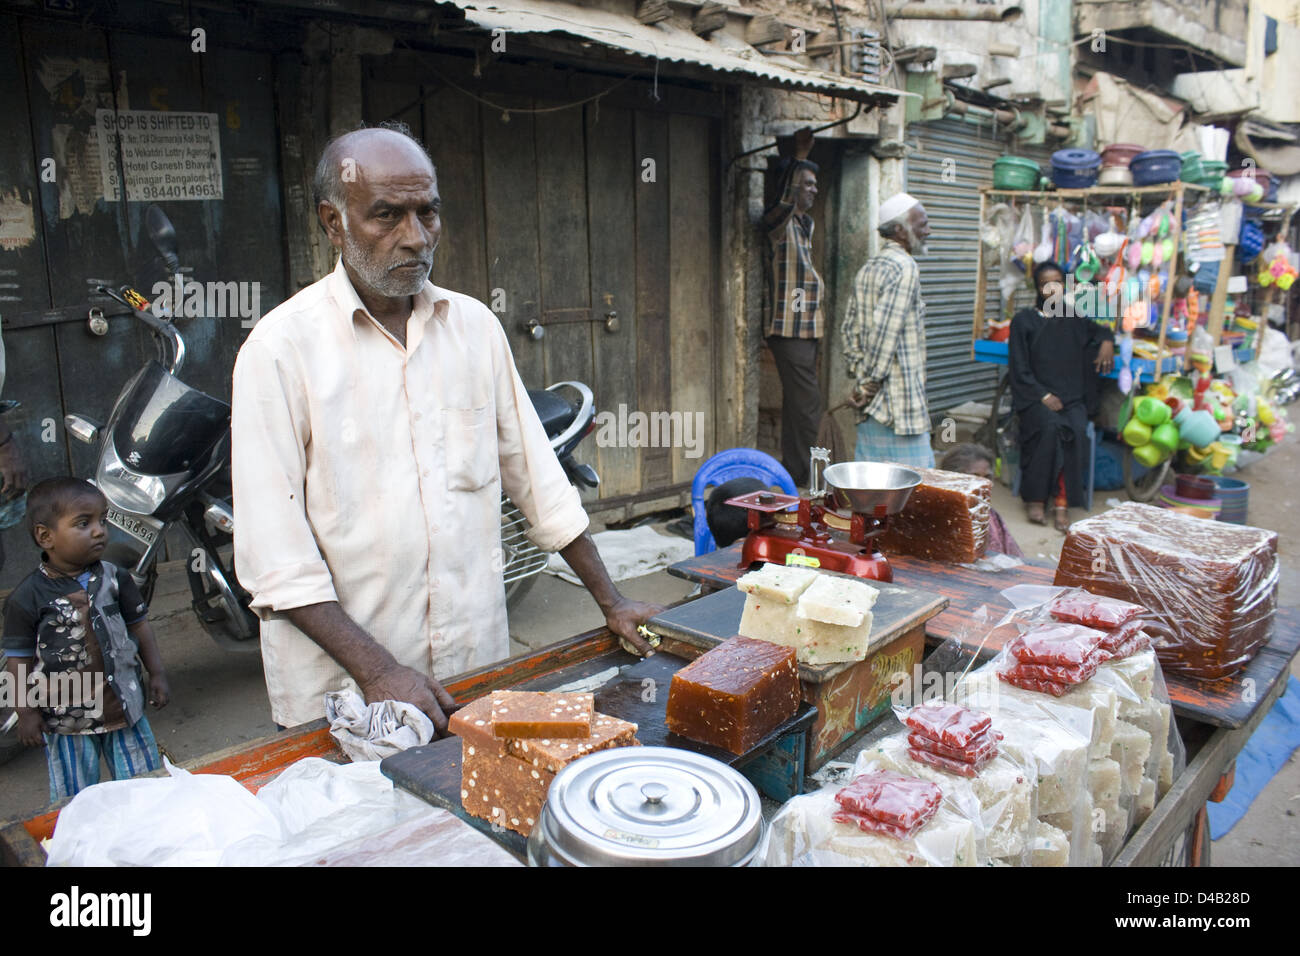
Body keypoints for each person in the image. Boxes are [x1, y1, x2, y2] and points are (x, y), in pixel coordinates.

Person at [231, 122, 661, 735]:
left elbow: (539, 481)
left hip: (471, 667)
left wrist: (613, 601)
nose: (414, 238)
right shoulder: (280, 351)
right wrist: (380, 673)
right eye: (387, 216)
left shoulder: (475, 329)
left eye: (427, 213)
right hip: (348, 691)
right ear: (333, 222)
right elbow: (277, 561)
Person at [2, 478, 169, 802]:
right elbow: (18, 659)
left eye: (102, 520)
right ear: (45, 536)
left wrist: (157, 673)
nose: (99, 531)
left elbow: (140, 626)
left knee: (147, 791)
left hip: (124, 706)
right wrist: (25, 711)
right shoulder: (27, 597)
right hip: (66, 719)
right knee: (76, 801)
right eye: (83, 523)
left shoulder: (116, 578)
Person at [1008, 261, 1114, 532]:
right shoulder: (1024, 321)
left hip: (1071, 398)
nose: (1052, 288)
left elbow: (1099, 330)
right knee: (1050, 428)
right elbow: (1018, 368)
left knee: (1075, 429)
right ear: (1038, 287)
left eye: (1057, 282)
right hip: (1035, 398)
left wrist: (1107, 342)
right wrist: (1043, 395)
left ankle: (1062, 504)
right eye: (1045, 283)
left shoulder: (1073, 317)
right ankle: (1036, 497)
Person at [843, 192, 935, 467]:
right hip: (897, 404)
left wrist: (859, 381)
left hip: (872, 406)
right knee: (917, 490)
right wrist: (868, 384)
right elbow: (886, 334)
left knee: (873, 490)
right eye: (922, 224)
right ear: (899, 230)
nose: (928, 231)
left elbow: (848, 331)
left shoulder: (869, 267)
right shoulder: (905, 267)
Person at [761, 127, 824, 486]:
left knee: (798, 405)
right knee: (808, 407)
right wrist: (798, 156)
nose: (814, 189)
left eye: (815, 184)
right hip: (789, 329)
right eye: (807, 183)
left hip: (804, 329)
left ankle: (794, 470)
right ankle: (805, 477)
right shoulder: (779, 224)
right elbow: (781, 203)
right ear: (791, 186)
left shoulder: (805, 225)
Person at [938, 444, 1022, 559]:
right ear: (954, 478)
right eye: (975, 477)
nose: (983, 484)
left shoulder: (990, 515)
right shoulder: (939, 515)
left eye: (987, 477)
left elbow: (1011, 556)